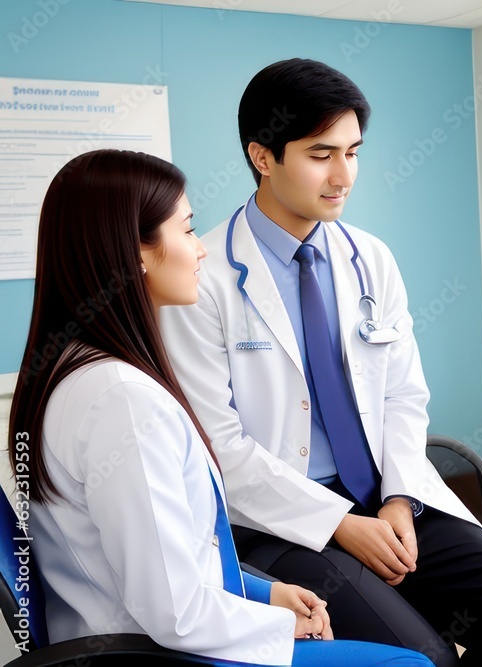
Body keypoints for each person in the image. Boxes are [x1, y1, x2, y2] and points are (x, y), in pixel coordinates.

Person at [158, 58, 482, 667]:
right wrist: (339, 524)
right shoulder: (204, 275)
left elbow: (404, 395)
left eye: (353, 152)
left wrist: (399, 499)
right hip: (278, 521)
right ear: (263, 156)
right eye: (321, 154)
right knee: (425, 657)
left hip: (390, 494)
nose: (343, 174)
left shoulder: (370, 258)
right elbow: (219, 447)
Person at [7, 149, 433, 666]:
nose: (201, 250)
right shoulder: (123, 402)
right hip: (158, 652)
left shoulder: (72, 368)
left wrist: (263, 592)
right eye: (186, 231)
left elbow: (174, 557)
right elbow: (174, 610)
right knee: (413, 663)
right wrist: (275, 623)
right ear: (135, 252)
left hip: (135, 630)